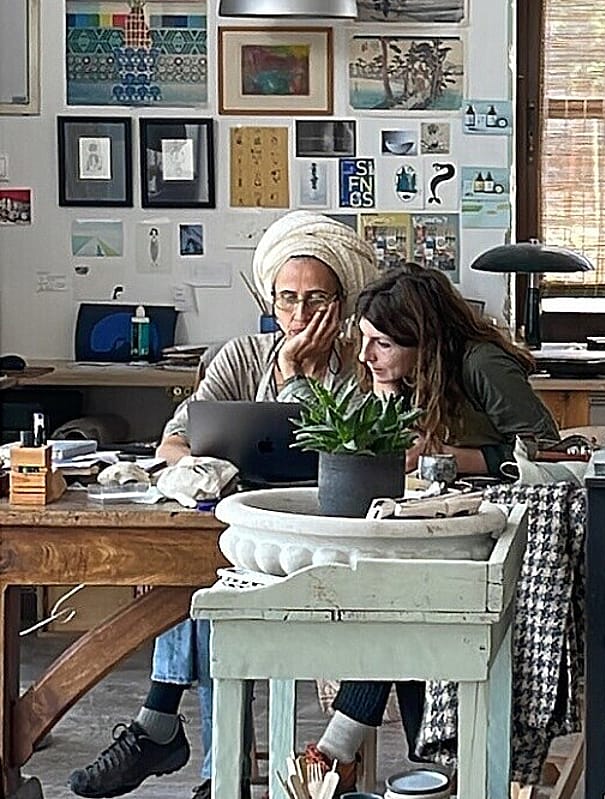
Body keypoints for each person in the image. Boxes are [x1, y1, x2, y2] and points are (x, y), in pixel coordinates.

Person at [67, 211, 379, 799]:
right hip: (239, 529)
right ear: (271, 301)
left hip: (320, 539)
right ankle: (215, 772)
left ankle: (169, 731)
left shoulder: (363, 369)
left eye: (317, 299)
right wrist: (200, 467)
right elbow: (173, 443)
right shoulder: (239, 356)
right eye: (288, 299)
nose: (301, 314)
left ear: (341, 305)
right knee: (206, 579)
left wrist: (294, 375)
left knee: (211, 583)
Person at [302, 264, 560, 789]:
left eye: (382, 344)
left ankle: (346, 752)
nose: (366, 355)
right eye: (364, 340)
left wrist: (449, 456)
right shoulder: (399, 377)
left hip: (498, 530)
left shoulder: (480, 363)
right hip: (434, 526)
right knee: (396, 603)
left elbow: (547, 448)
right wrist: (384, 401)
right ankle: (434, 766)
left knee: (400, 605)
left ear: (423, 338)